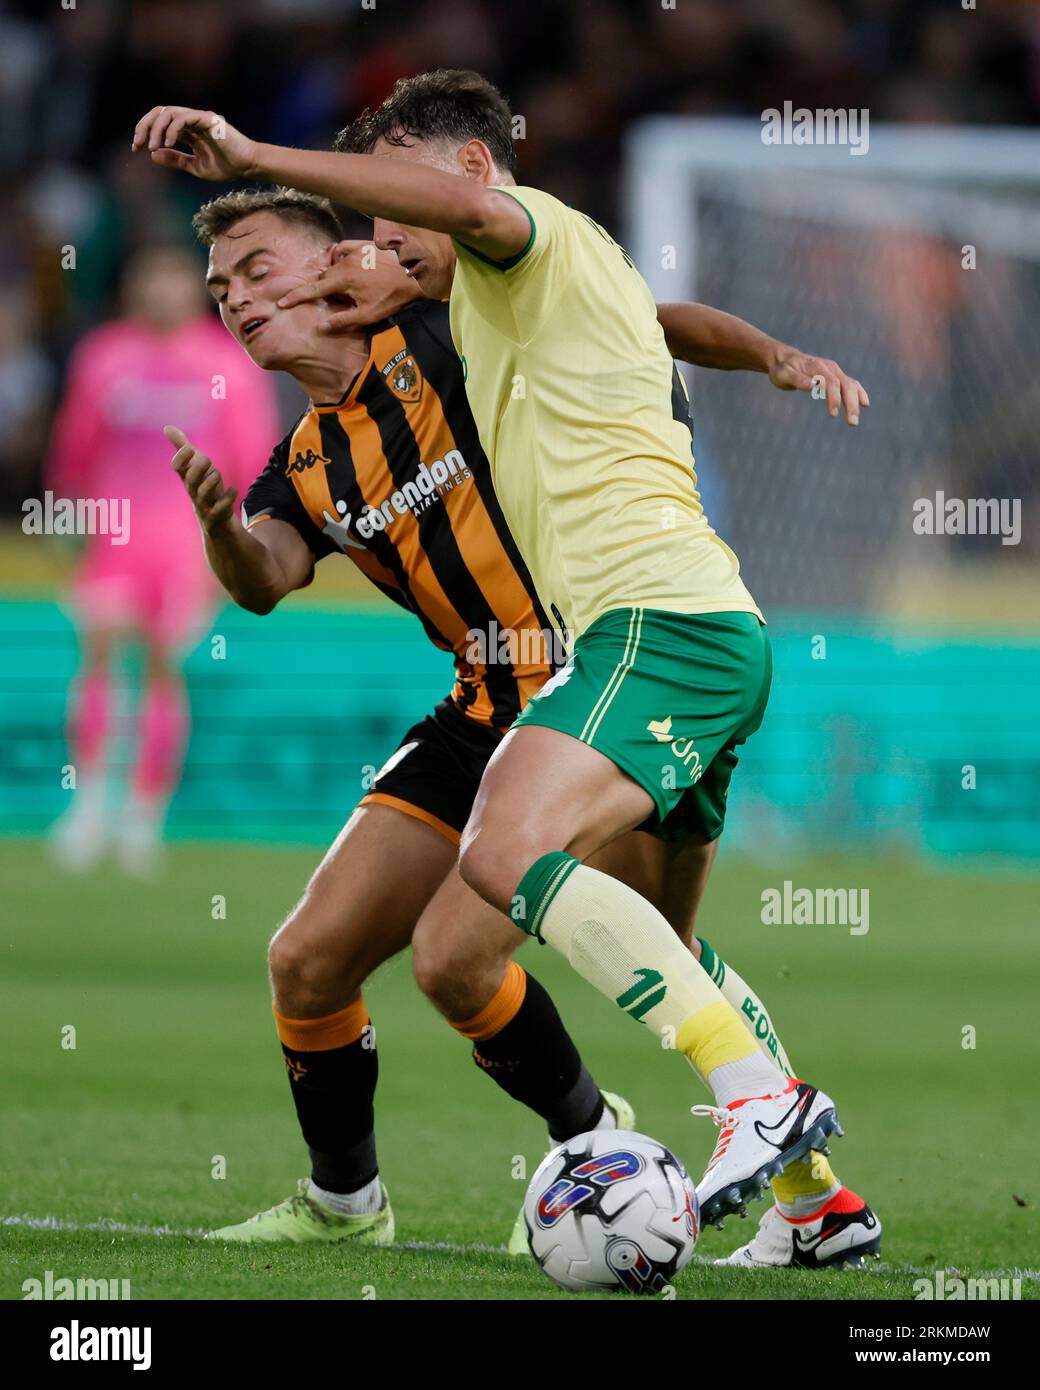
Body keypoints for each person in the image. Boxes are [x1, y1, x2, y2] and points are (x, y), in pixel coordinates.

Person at [135, 88, 879, 1265]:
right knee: (324, 956)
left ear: (344, 246)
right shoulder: (305, 456)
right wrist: (224, 526)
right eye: (219, 286)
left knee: (477, 927)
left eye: (256, 265)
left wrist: (770, 355)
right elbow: (263, 577)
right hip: (504, 697)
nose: (238, 297)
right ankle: (809, 1202)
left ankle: (683, 1120)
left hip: (610, 655)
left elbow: (630, 310)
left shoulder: (452, 313)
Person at [47, 246, 278, 875]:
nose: (165, 291)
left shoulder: (226, 362)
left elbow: (253, 461)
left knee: (159, 668)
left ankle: (143, 816)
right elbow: (75, 446)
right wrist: (67, 517)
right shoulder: (105, 355)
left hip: (187, 544)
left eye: (178, 280)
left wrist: (235, 542)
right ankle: (91, 803)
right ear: (136, 286)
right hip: (113, 536)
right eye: (153, 277)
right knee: (98, 648)